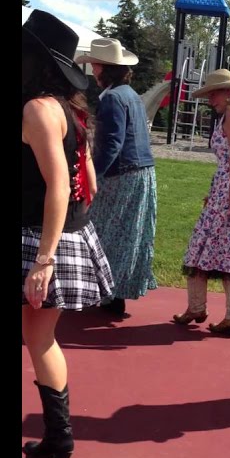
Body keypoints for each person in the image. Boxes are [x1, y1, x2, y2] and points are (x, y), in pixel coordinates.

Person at [22, 10, 115, 458]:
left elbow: (60, 185)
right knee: (41, 339)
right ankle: (59, 440)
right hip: (63, 234)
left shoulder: (38, 109)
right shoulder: (70, 110)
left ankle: (59, 440)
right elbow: (88, 184)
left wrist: (43, 259)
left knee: (39, 338)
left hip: (35, 239)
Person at [173, 69, 230, 337]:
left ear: (227, 91)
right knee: (226, 253)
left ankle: (206, 310)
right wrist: (220, 191)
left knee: (202, 249)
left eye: (213, 93)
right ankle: (216, 311)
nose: (210, 98)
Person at [75, 38, 158, 317]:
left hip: (123, 174)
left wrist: (92, 178)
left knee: (103, 231)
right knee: (126, 235)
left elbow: (112, 144)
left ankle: (109, 293)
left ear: (102, 68)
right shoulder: (128, 94)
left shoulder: (112, 98)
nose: (93, 71)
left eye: (95, 65)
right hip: (140, 172)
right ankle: (114, 293)